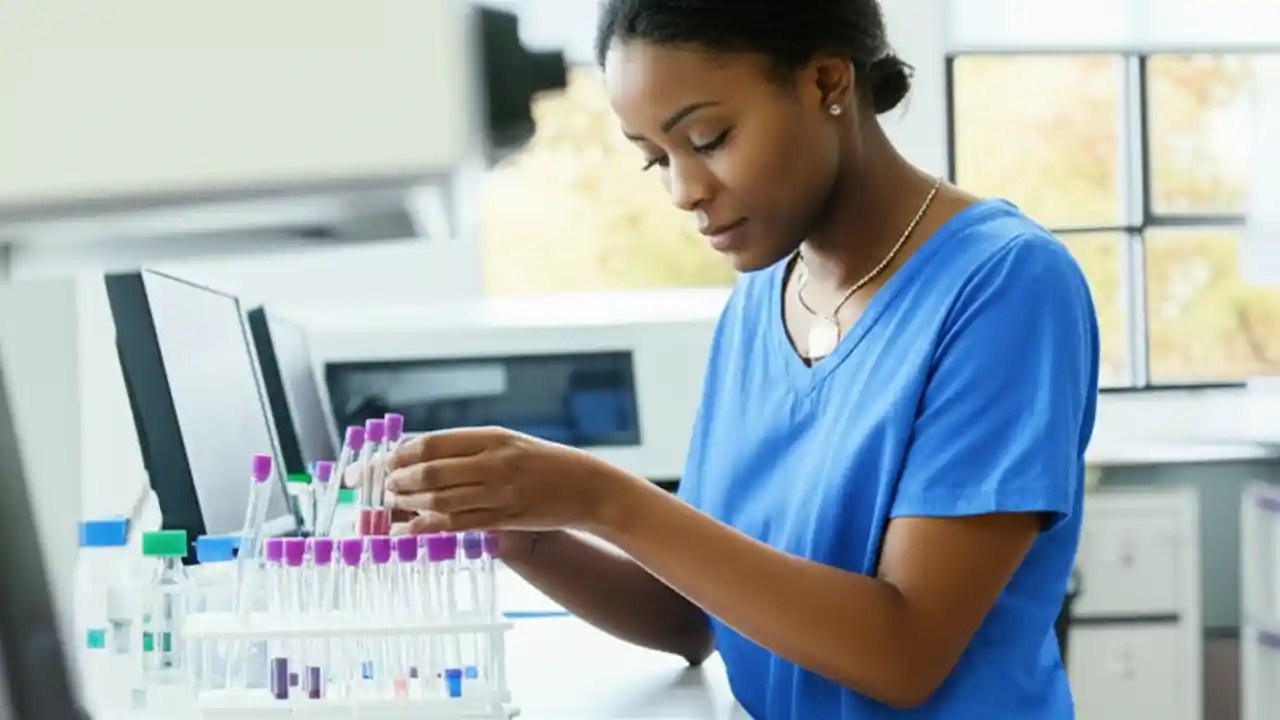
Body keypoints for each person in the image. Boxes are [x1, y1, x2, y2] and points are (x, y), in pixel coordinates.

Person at [384, 1, 1100, 717]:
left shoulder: (1005, 286)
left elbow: (902, 652)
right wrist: (522, 535)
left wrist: (600, 496)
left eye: (710, 138)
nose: (683, 190)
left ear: (825, 83)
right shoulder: (765, 297)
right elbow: (694, 618)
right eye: (656, 159)